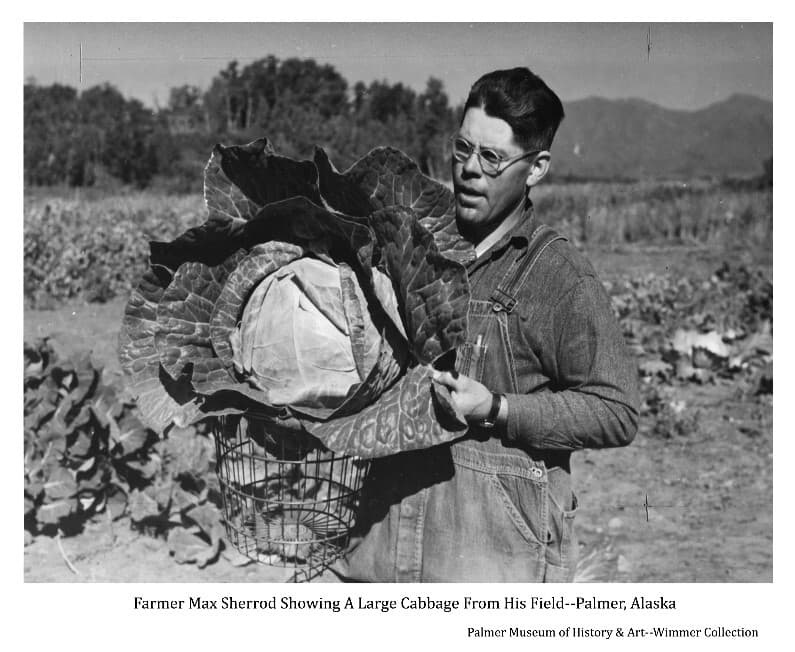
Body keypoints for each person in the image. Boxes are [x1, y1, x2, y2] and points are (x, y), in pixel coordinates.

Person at [339, 67, 640, 582]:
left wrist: (498, 408)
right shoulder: (409, 245)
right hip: (381, 552)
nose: (468, 170)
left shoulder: (556, 276)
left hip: (489, 565)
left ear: (536, 167)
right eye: (462, 149)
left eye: (492, 157)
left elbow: (616, 410)